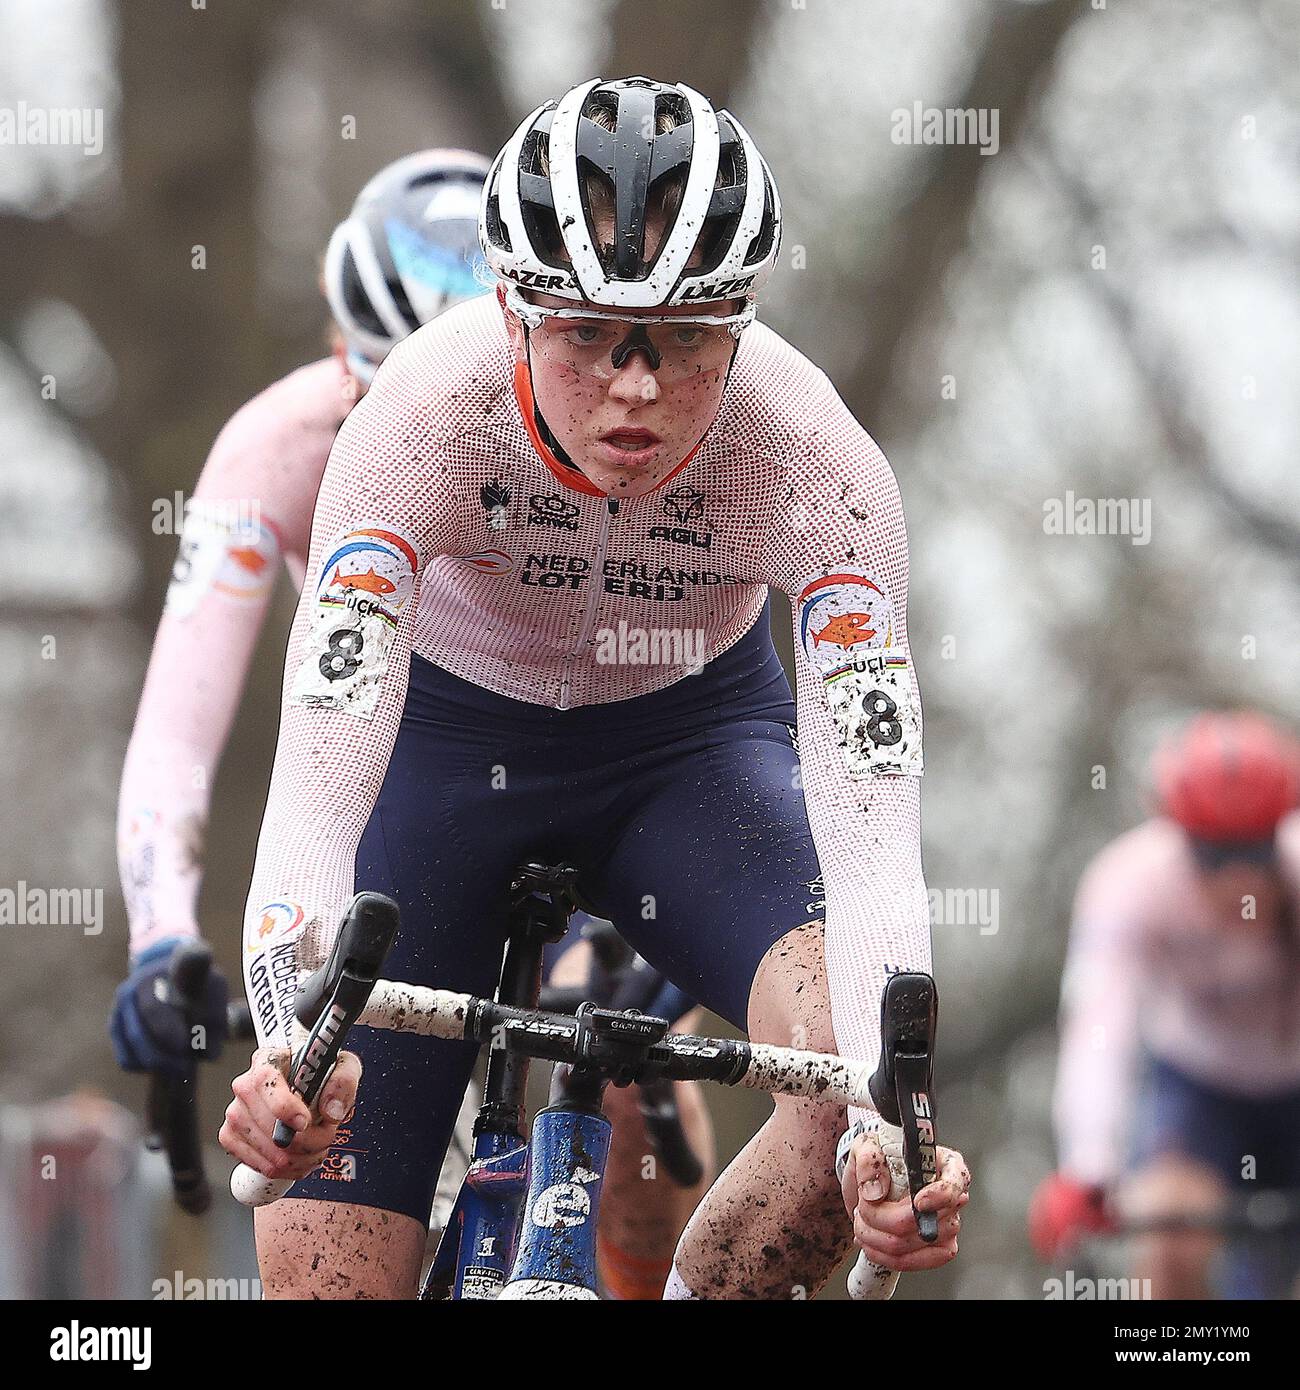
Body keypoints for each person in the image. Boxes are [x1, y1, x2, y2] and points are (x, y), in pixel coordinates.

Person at [218, 75, 970, 1300]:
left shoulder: (819, 465)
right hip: (443, 758)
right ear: (510, 312)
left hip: (687, 761)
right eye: (584, 336)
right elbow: (311, 789)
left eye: (684, 340)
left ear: (742, 323)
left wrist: (890, 1128)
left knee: (840, 1072)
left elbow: (874, 834)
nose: (635, 387)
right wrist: (284, 1041)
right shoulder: (418, 417)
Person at [110, 144, 714, 1296]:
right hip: (400, 781)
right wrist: (158, 936)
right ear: (343, 359)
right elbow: (177, 731)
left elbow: (699, 686)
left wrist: (651, 922)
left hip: (583, 751)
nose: (413, 431)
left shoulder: (614, 426)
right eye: (376, 395)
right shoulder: (273, 445)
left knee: (641, 1083)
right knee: (328, 1166)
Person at [1032, 711, 1300, 1297]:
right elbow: (1099, 1026)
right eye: (1214, 857)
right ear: (1180, 835)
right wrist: (1088, 1168)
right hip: (1199, 1085)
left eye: (1253, 852)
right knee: (1169, 1232)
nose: (1239, 883)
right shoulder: (1128, 884)